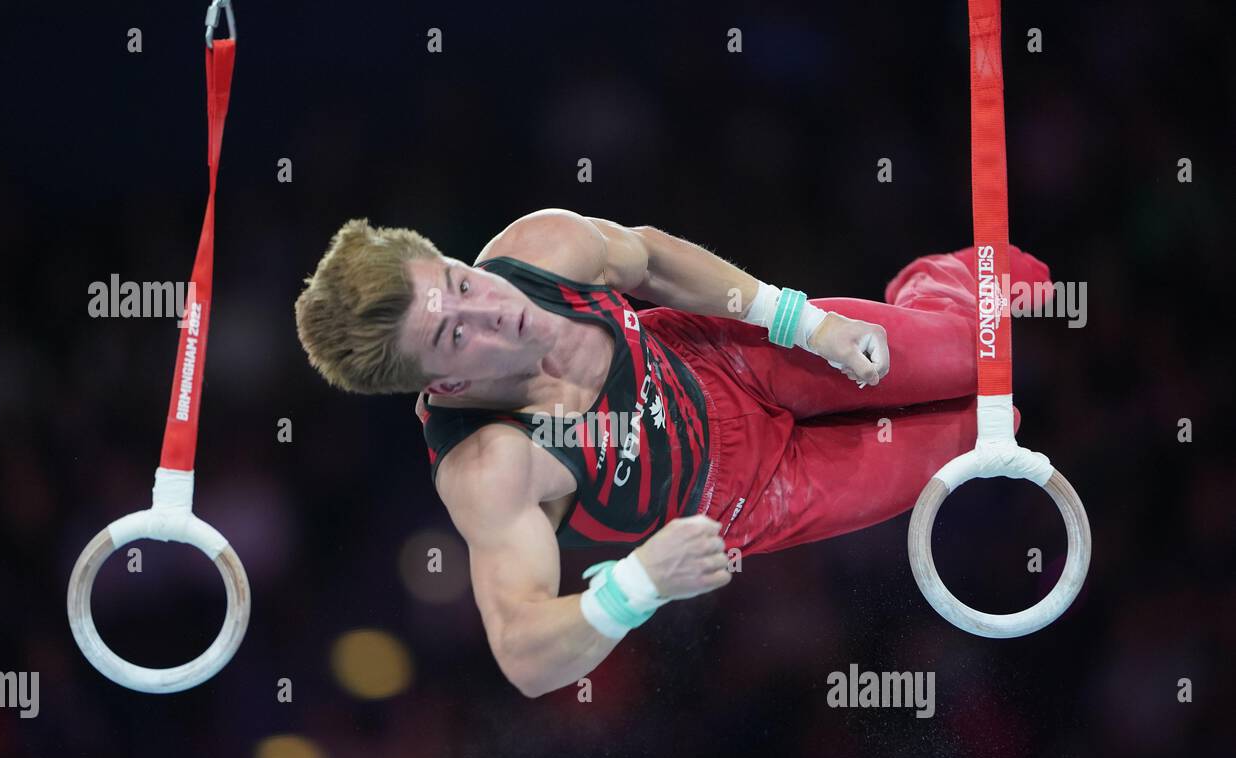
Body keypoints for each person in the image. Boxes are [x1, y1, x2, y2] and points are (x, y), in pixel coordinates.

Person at [294, 208, 1049, 696]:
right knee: (991, 431)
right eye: (456, 333)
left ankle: (933, 288)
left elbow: (651, 259)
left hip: (733, 357)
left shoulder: (538, 252)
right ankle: (927, 324)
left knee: (987, 358)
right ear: (445, 380)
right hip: (754, 496)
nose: (492, 307)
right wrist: (634, 586)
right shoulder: (492, 466)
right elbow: (524, 655)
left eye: (460, 282)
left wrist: (799, 322)